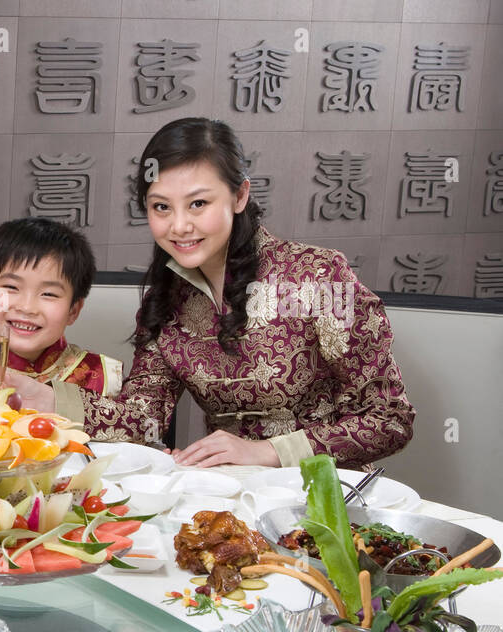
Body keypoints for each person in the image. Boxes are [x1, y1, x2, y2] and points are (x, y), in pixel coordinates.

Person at [30, 117, 414, 469]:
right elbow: (144, 418)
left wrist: (267, 452)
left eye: (199, 203)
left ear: (240, 195)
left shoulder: (318, 276)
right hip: (227, 496)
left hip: (325, 496)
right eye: (161, 207)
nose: (179, 226)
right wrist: (49, 400)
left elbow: (388, 419)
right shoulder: (167, 301)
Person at [0, 217, 122, 403]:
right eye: (12, 287)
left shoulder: (102, 378)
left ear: (73, 311)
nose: (27, 307)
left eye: (49, 294)